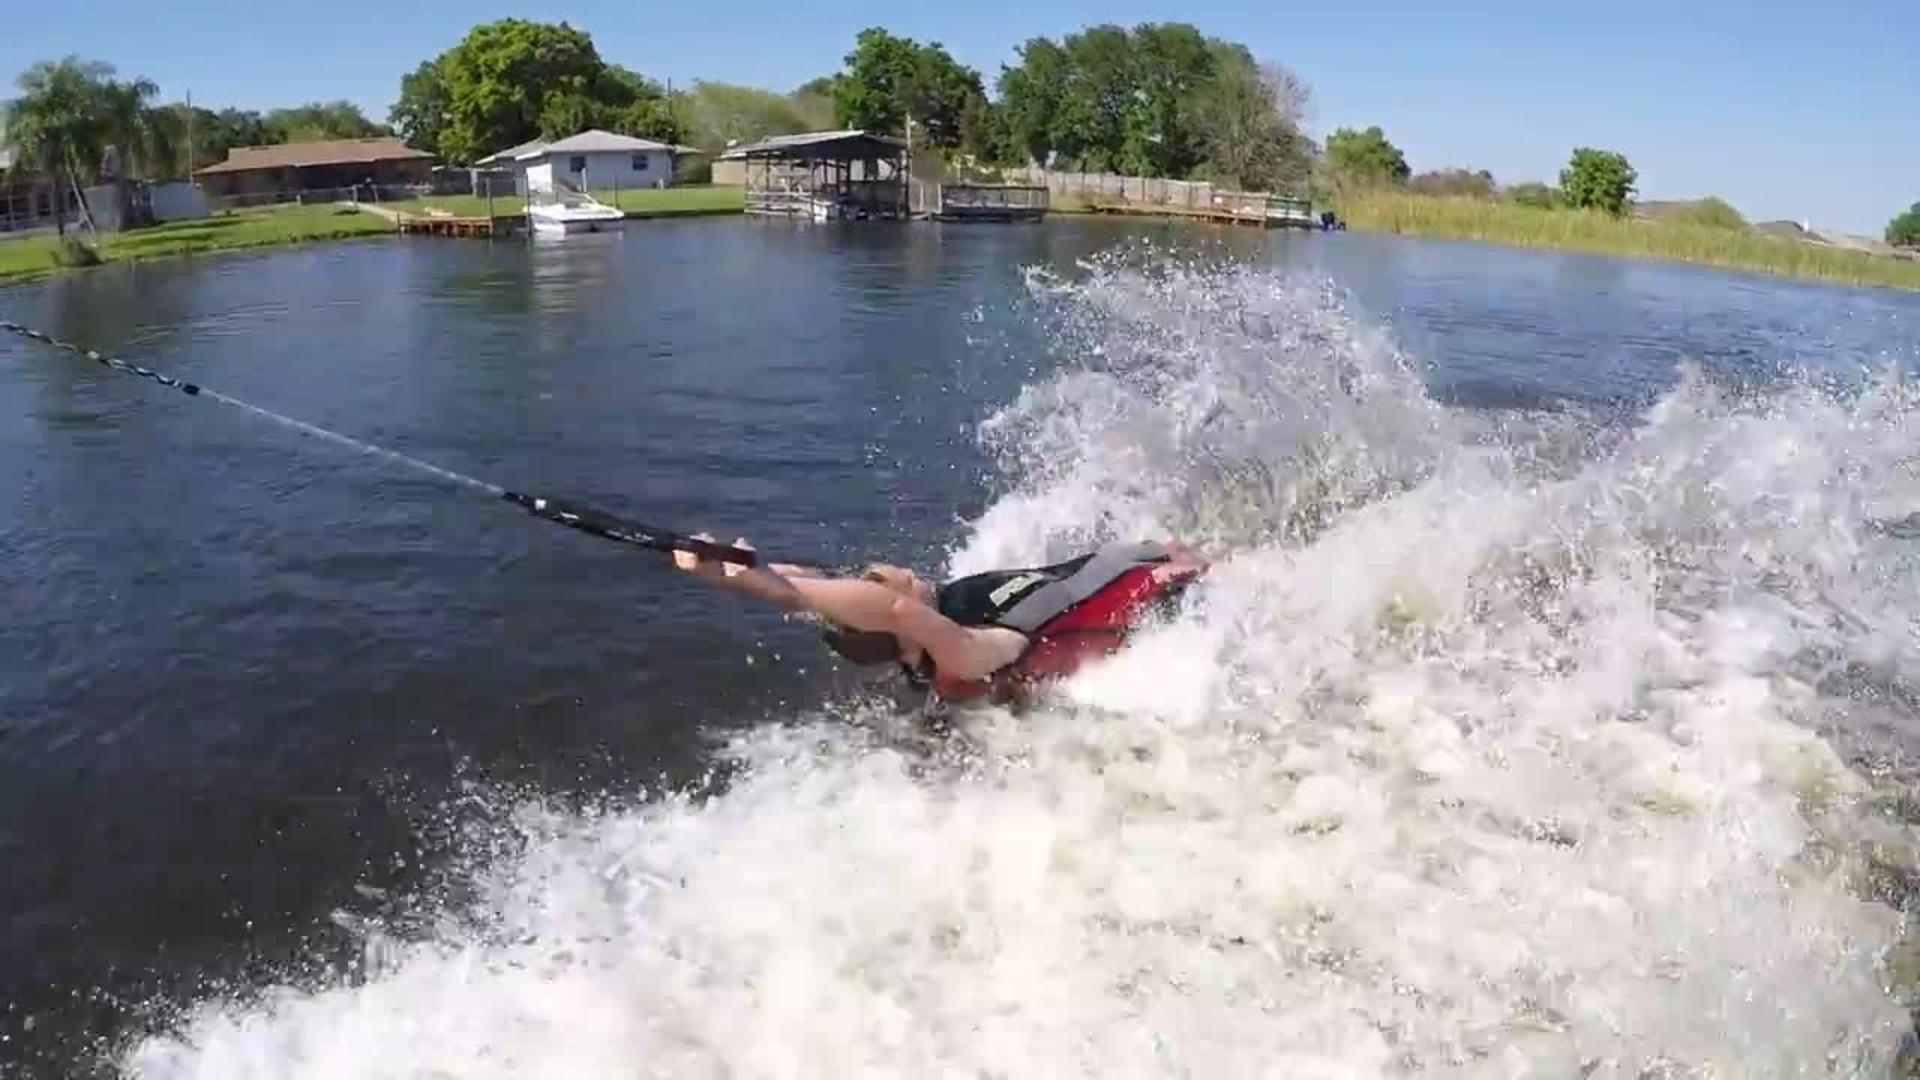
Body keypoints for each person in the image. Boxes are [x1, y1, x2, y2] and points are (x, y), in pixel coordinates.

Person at [673, 535, 1208, 705]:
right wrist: (754, 585)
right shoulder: (969, 649)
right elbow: (888, 608)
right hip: (1182, 601)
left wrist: (737, 568)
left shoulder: (942, 610)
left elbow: (818, 589)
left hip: (1149, 565)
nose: (887, 569)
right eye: (875, 577)